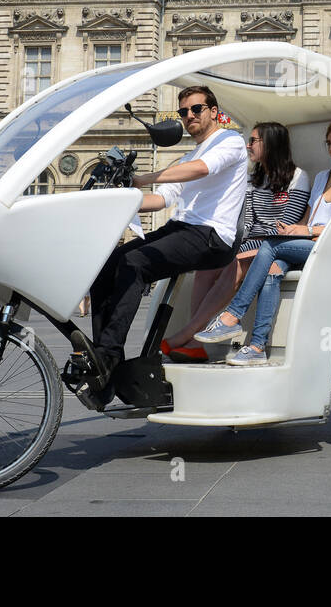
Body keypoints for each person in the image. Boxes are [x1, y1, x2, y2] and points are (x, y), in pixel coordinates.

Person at [77, 86, 249, 407]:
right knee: (107, 266)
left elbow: (202, 169)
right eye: (183, 112)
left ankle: (109, 355)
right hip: (182, 229)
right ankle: (105, 368)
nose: (189, 117)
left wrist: (143, 178)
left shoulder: (230, 142)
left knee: (136, 263)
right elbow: (161, 200)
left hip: (213, 236)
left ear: (213, 111)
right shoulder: (187, 156)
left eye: (196, 109)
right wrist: (119, 197)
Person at [195, 121, 331, 365]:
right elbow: (309, 214)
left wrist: (307, 229)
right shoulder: (324, 176)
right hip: (305, 243)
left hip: (330, 247)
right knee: (272, 269)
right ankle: (257, 346)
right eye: (329, 143)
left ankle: (232, 315)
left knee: (269, 245)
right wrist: (293, 229)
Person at [161, 121, 311, 362]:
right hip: (252, 241)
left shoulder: (297, 177)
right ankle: (193, 341)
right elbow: (248, 220)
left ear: (271, 144)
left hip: (277, 245)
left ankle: (188, 335)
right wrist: (235, 246)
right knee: (207, 266)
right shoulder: (253, 179)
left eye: (253, 141)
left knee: (235, 265)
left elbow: (286, 225)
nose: (248, 145)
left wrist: (247, 246)